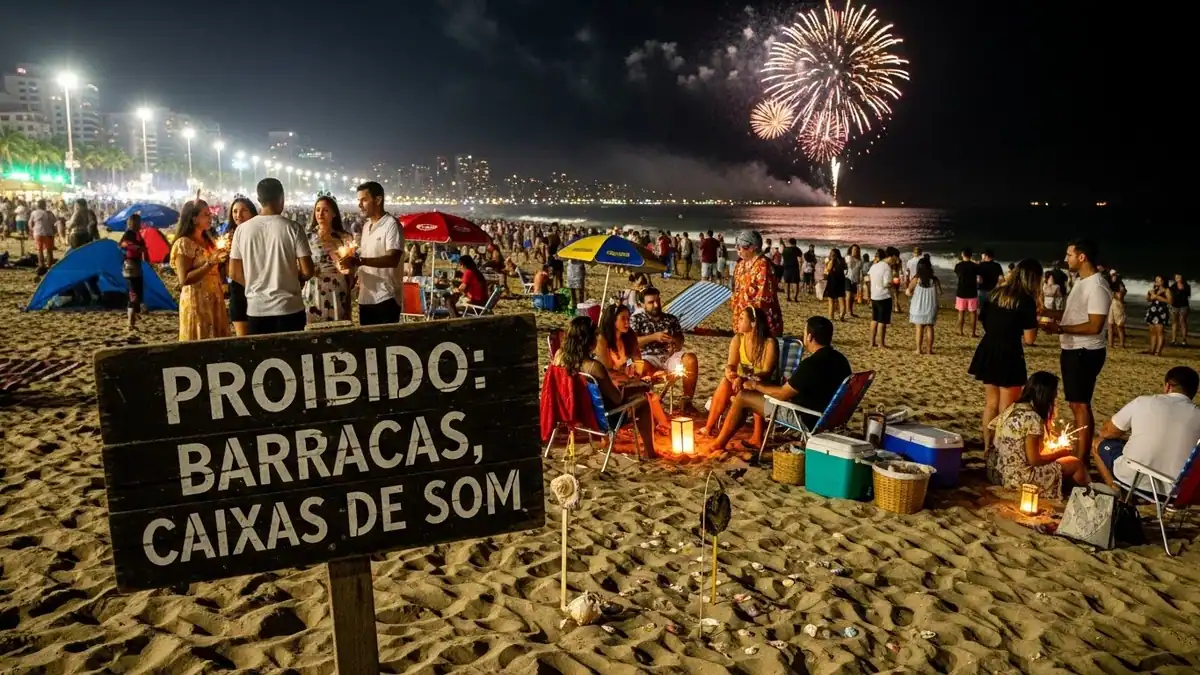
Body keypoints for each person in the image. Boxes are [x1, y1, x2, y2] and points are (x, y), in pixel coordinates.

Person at [706, 316, 850, 454]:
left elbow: (782, 394)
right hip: (830, 417)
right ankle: (754, 437)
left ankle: (719, 443)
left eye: (804, 333)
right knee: (757, 394)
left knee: (744, 397)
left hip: (804, 416)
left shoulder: (811, 364)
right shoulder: (841, 360)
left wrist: (755, 385)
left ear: (810, 337)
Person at [1042, 239, 1112, 462]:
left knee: (1080, 404)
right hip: (1073, 348)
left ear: (1082, 257)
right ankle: (1079, 452)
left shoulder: (1097, 286)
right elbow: (1074, 313)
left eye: (1069, 254)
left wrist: (1060, 328)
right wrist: (1047, 312)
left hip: (1085, 351)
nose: (1065, 259)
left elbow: (1095, 326)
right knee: (1075, 402)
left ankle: (1081, 458)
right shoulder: (1081, 282)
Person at [552, 316, 660, 457]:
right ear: (590, 341)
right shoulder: (593, 367)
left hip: (570, 412)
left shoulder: (559, 357)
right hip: (599, 419)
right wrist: (627, 387)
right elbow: (616, 399)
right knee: (644, 402)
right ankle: (649, 452)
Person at [969, 259, 1042, 456]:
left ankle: (987, 447)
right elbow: (1029, 339)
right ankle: (1000, 450)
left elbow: (984, 319)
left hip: (988, 348)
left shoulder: (996, 293)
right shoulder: (1025, 300)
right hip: (1009, 352)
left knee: (991, 403)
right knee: (1007, 407)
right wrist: (1037, 323)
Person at [228, 178, 315, 335]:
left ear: (259, 199)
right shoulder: (293, 228)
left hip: (256, 309)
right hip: (289, 307)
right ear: (281, 198)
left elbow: (234, 273)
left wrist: (255, 285)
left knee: (263, 357)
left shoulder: (242, 230)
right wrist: (297, 279)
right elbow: (308, 270)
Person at [1093, 366, 1200, 491]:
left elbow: (1107, 432)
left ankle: (1114, 488)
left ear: (1168, 386)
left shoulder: (1143, 402)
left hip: (1133, 477)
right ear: (1193, 391)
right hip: (1174, 489)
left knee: (1098, 443)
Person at [988, 371, 1088, 500]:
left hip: (999, 472)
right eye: (1054, 395)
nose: (1055, 397)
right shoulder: (1033, 418)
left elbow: (991, 428)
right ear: (1045, 395)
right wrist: (1060, 453)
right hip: (1019, 479)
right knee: (1076, 463)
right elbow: (1034, 460)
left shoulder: (1011, 409)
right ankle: (1088, 494)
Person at [701, 306, 778, 440]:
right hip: (740, 382)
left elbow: (766, 371)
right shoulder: (738, 339)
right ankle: (708, 427)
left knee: (753, 390)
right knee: (725, 381)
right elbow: (731, 364)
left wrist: (745, 379)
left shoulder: (769, 343)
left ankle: (757, 437)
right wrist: (729, 371)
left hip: (759, 385)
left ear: (753, 323)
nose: (738, 321)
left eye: (742, 318)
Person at [343, 181, 404, 325]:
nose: (359, 205)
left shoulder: (391, 225)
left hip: (386, 298)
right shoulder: (366, 226)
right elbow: (367, 258)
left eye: (364, 200)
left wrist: (361, 261)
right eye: (359, 200)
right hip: (366, 297)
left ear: (378, 200)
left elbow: (392, 259)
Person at [631, 286, 701, 411]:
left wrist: (674, 342)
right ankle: (647, 402)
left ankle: (687, 401)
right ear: (642, 304)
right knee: (641, 367)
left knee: (690, 359)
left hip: (669, 357)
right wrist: (653, 337)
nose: (656, 305)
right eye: (651, 302)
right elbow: (633, 342)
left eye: (657, 301)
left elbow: (680, 339)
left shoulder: (671, 319)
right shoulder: (637, 319)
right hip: (648, 357)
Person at [171, 199, 231, 341]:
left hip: (215, 297)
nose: (210, 217)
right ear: (193, 218)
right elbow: (184, 279)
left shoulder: (208, 239)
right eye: (205, 214)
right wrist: (209, 263)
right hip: (196, 300)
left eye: (210, 214)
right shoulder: (184, 243)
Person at [304, 195, 355, 325]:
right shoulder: (307, 237)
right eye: (317, 210)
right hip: (314, 286)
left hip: (337, 287)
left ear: (333, 214)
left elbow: (351, 267)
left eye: (325, 210)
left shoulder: (344, 237)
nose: (320, 214)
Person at [730, 230, 783, 337]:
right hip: (741, 320)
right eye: (737, 246)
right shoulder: (740, 264)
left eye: (742, 246)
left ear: (753, 247)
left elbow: (763, 299)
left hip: (759, 324)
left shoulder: (763, 265)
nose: (738, 250)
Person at [225, 196, 259, 336]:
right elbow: (229, 270)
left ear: (252, 212)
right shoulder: (228, 238)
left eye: (243, 210)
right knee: (242, 335)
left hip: (259, 285)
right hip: (238, 287)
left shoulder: (259, 234)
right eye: (235, 211)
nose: (238, 215)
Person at [906, 257, 942, 355]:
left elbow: (908, 291)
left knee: (919, 328)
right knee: (930, 328)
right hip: (931, 306)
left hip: (918, 306)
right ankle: (929, 350)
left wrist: (912, 293)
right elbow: (940, 293)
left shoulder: (916, 279)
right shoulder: (934, 280)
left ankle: (918, 349)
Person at [119, 213, 146, 332]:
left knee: (138, 291)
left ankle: (134, 317)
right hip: (130, 264)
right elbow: (122, 244)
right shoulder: (129, 234)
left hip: (136, 264)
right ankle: (130, 321)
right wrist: (136, 247)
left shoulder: (137, 234)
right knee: (133, 293)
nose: (140, 224)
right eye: (138, 222)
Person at [868, 247, 899, 348]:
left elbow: (868, 278)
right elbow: (886, 284)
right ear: (892, 256)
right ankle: (881, 343)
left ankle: (871, 342)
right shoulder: (886, 267)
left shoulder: (874, 266)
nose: (896, 260)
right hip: (884, 296)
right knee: (882, 321)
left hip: (874, 295)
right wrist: (893, 282)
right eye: (896, 257)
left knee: (874, 319)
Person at [954, 249, 980, 337]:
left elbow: (957, 275)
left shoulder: (958, 265)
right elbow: (979, 277)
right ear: (971, 255)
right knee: (973, 313)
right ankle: (973, 333)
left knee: (961, 312)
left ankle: (960, 331)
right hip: (972, 291)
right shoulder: (975, 266)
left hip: (961, 291)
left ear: (962, 255)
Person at [1144, 275, 1172, 356]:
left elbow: (1170, 301)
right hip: (1152, 311)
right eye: (1155, 279)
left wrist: (1157, 297)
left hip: (1161, 312)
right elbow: (1148, 300)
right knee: (1152, 332)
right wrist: (1149, 295)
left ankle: (1158, 351)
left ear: (1163, 281)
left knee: (1160, 332)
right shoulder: (1154, 290)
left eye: (1158, 280)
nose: (1156, 281)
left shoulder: (1167, 290)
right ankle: (1152, 350)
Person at [29, 199, 57, 270]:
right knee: (49, 250)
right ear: (44, 205)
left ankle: (41, 265)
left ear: (37, 205)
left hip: (38, 233)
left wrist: (32, 230)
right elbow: (54, 223)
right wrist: (54, 231)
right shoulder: (50, 213)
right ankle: (49, 266)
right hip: (48, 233)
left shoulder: (34, 213)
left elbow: (30, 223)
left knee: (39, 250)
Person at [824, 248, 848, 320]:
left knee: (831, 300)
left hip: (832, 281)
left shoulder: (831, 261)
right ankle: (842, 315)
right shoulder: (842, 260)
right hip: (841, 281)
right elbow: (846, 269)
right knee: (841, 298)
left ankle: (831, 316)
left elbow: (827, 270)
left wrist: (830, 261)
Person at [1170, 273, 1191, 346]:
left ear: (1182, 278)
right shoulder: (1173, 286)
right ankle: (1173, 340)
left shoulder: (1187, 286)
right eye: (1176, 277)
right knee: (1174, 322)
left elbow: (1188, 295)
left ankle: (1184, 340)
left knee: (1182, 321)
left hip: (1184, 306)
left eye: (1179, 277)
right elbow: (1170, 295)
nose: (1177, 278)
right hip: (1174, 306)